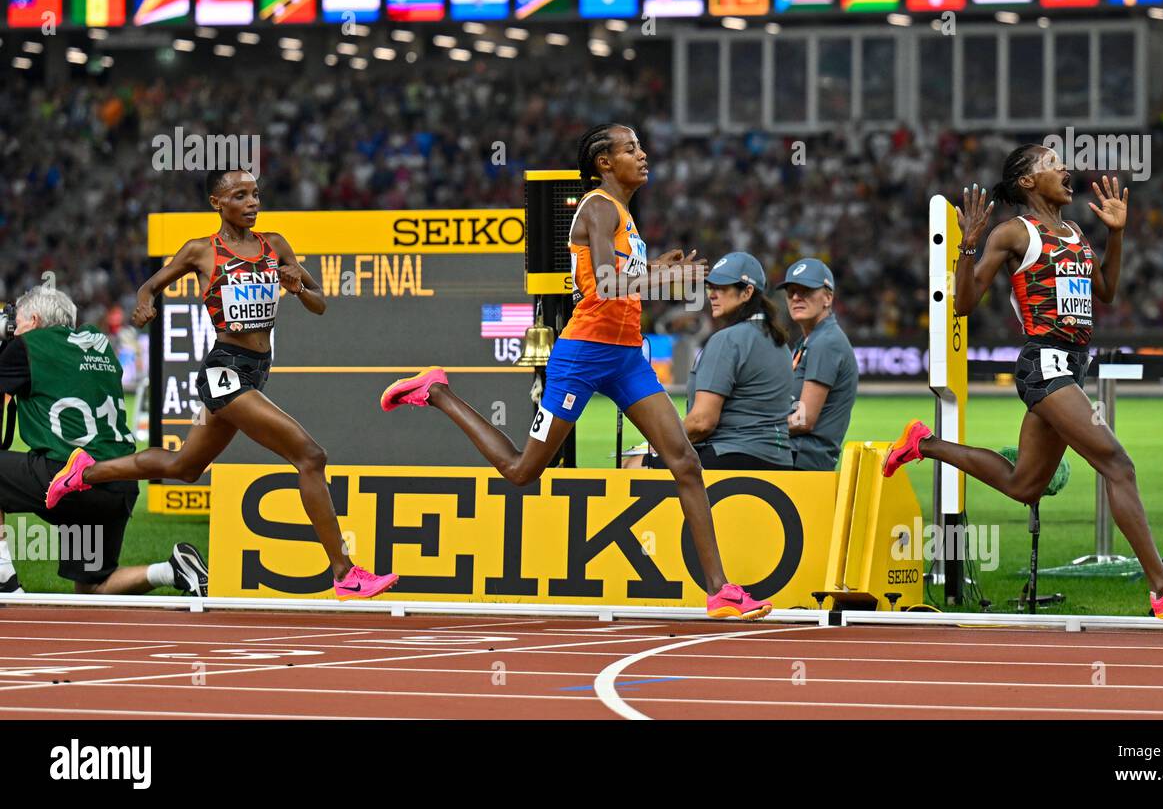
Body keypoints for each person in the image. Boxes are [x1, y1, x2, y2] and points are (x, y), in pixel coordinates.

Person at [379, 124, 773, 620]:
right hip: (583, 355)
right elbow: (606, 287)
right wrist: (667, 277)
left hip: (626, 356)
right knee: (523, 471)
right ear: (605, 163)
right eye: (631, 148)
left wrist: (657, 268)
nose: (643, 154)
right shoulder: (597, 206)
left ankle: (720, 590)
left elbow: (619, 278)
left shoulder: (622, 213)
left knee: (685, 463)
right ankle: (438, 392)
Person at [881, 146, 1163, 619]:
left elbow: (1105, 290)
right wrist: (968, 245)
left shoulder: (1076, 231)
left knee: (1025, 484)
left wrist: (1116, 235)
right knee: (1118, 465)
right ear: (1027, 182)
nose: (1065, 170)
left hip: (1072, 366)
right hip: (1044, 365)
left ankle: (925, 443)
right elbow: (962, 304)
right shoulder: (1012, 233)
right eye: (1051, 164)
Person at [44, 170, 398, 600]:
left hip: (255, 370)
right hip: (224, 370)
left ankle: (85, 472)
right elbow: (150, 285)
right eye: (240, 195)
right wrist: (142, 306)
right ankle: (345, 573)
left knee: (184, 468)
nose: (252, 203)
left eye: (255, 195)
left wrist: (297, 288)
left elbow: (319, 302)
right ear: (218, 203)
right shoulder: (201, 251)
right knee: (310, 456)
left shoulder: (276, 245)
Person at [0, 287, 207, 596]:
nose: (13, 330)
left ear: (34, 319)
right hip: (118, 482)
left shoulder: (30, 346)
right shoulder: (99, 346)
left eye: (17, 322)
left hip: (70, 477)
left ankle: (4, 580)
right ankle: (172, 570)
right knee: (92, 587)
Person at [648, 252, 796, 470]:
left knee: (634, 465)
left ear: (747, 292)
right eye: (711, 288)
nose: (712, 295)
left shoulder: (727, 340)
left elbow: (701, 422)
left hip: (733, 456)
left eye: (722, 288)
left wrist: (657, 443)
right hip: (778, 461)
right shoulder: (779, 343)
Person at [778, 259, 858, 471]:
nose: (796, 297)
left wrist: (753, 429)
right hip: (797, 457)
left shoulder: (826, 342)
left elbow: (803, 419)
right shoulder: (811, 340)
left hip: (802, 462)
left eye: (806, 290)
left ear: (828, 298)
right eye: (791, 291)